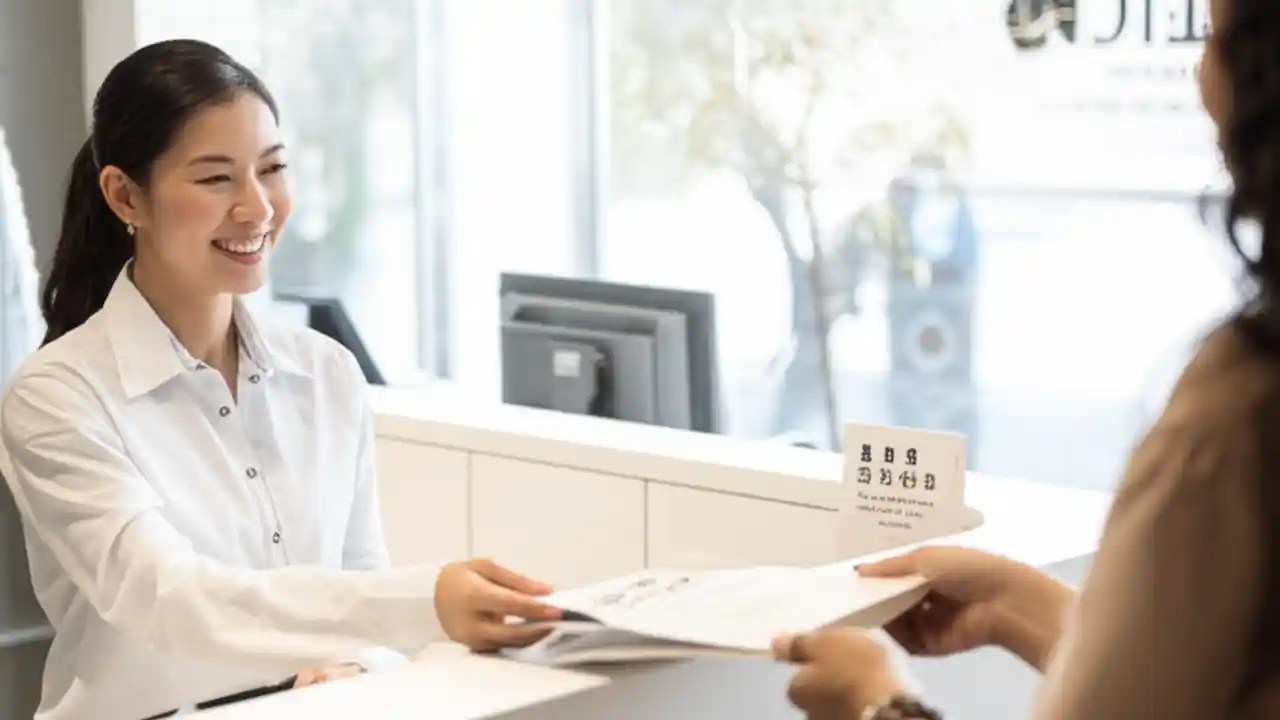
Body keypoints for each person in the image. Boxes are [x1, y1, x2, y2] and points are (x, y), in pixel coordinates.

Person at [0, 39, 560, 720]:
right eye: (215, 178)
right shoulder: (56, 396)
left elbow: (359, 585)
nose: (258, 207)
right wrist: (426, 603)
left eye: (272, 169)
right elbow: (168, 600)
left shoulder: (327, 373)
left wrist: (352, 665)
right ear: (125, 196)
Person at [772, 0, 1280, 717]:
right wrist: (1015, 606)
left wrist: (874, 703)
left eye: (1217, 36)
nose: (1200, 73)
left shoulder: (1239, 416)